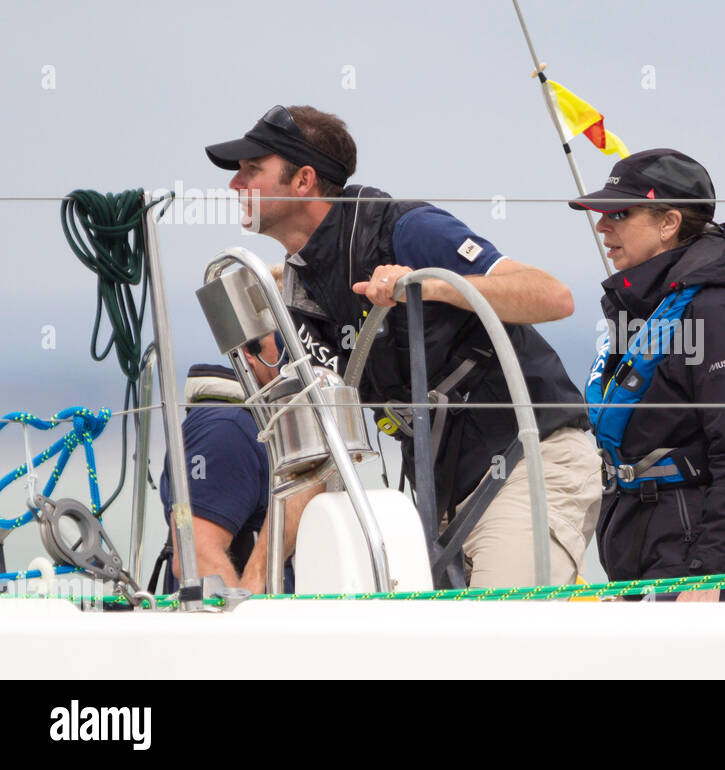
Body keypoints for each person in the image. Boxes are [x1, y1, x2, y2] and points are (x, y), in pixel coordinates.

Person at [205, 105, 600, 588]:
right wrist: (250, 590)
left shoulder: (404, 230)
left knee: (505, 645)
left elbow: (553, 296)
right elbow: (316, 458)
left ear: (303, 179)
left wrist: (429, 285)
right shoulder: (302, 291)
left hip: (529, 459)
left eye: (251, 170)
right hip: (441, 498)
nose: (234, 186)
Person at [569, 148, 725, 601]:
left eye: (619, 213)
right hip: (641, 544)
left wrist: (705, 573)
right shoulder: (640, 304)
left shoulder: (713, 309)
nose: (602, 226)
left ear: (669, 223)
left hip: (695, 561)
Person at [157, 335, 300, 594]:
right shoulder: (226, 429)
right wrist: (243, 627)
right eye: (282, 338)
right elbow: (197, 557)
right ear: (250, 350)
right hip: (242, 630)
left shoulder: (267, 427)